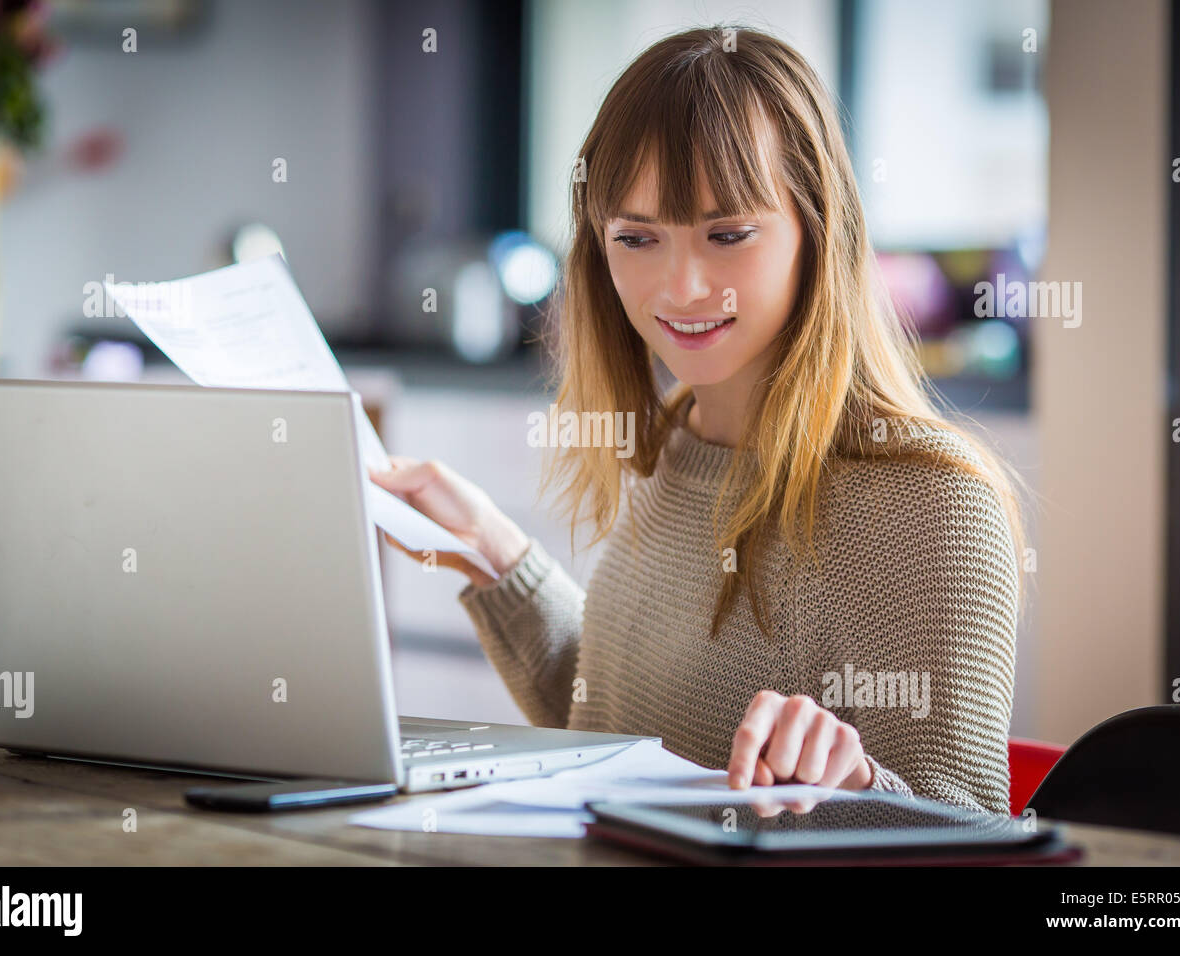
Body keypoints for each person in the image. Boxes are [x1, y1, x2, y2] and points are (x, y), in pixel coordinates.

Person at [370, 24, 1027, 816]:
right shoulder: (678, 443)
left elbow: (970, 835)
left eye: (728, 234)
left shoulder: (930, 508)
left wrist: (852, 787)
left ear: (818, 231)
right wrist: (496, 557)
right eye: (637, 238)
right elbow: (620, 724)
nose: (681, 288)